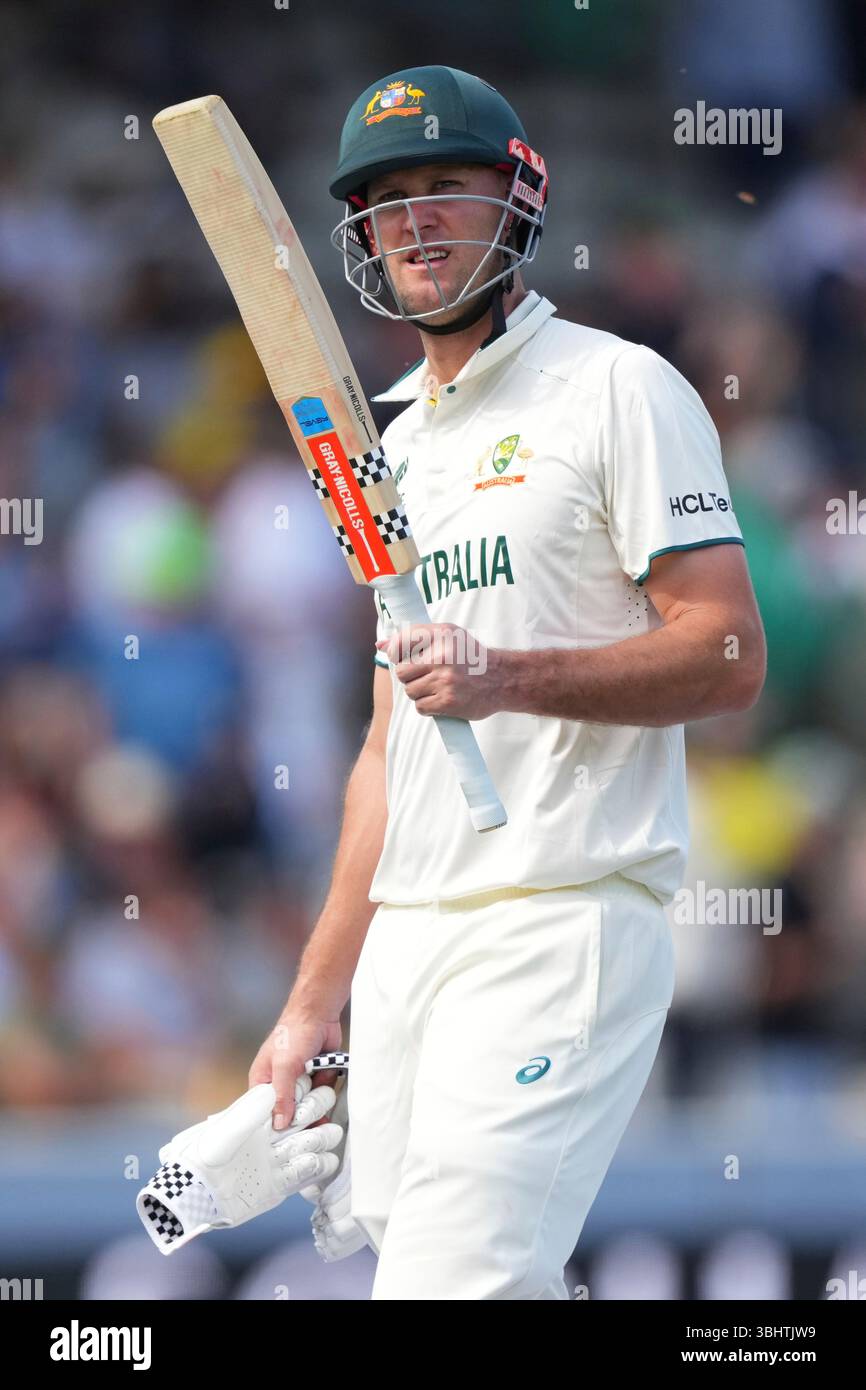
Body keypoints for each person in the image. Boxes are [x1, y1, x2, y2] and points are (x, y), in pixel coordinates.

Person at [249, 65, 766, 1300]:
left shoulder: (614, 387)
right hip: (413, 941)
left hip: (561, 911)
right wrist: (315, 1000)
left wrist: (507, 674)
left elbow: (728, 653)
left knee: (449, 1286)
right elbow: (389, 751)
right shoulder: (388, 449)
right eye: (383, 202)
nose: (413, 222)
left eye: (443, 187)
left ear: (518, 200)